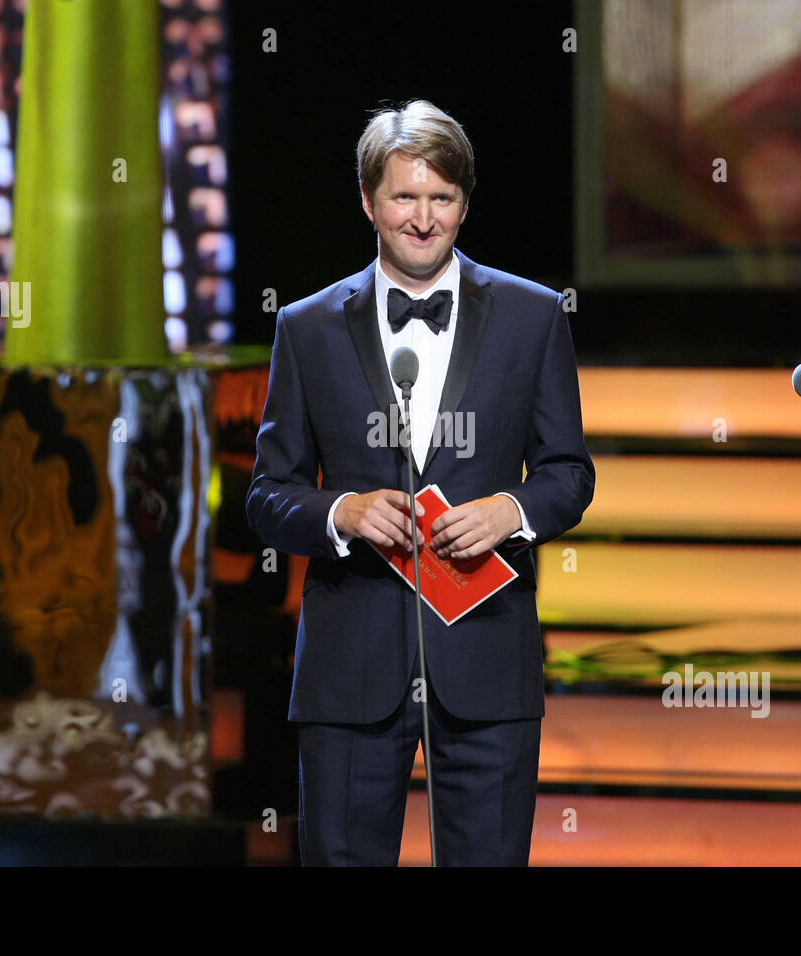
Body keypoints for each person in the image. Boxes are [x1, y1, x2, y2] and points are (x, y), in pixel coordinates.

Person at [246, 99, 594, 865]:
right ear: (368, 200)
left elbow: (570, 475)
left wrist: (511, 510)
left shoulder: (532, 316)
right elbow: (269, 495)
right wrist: (342, 510)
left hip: (487, 659)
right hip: (351, 665)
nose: (423, 218)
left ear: (464, 205)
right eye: (405, 196)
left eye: (442, 199)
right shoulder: (306, 328)